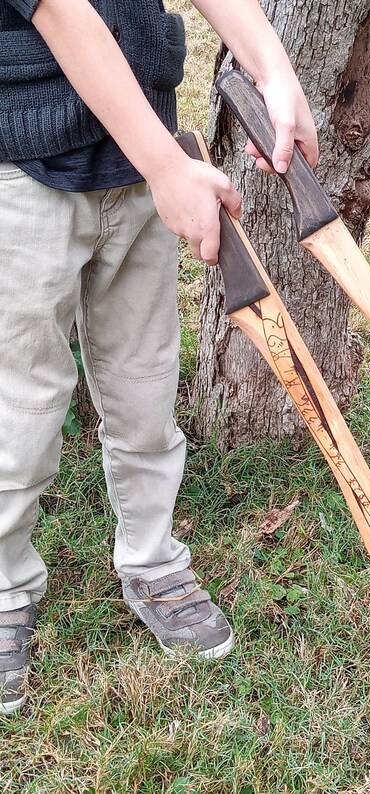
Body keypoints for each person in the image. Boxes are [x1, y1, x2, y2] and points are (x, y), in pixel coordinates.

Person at [0, 0, 319, 715]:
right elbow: (58, 11)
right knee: (19, 409)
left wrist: (272, 67)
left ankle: (152, 561)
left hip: (137, 163)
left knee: (144, 389)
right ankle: (3, 585)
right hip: (20, 168)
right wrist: (167, 166)